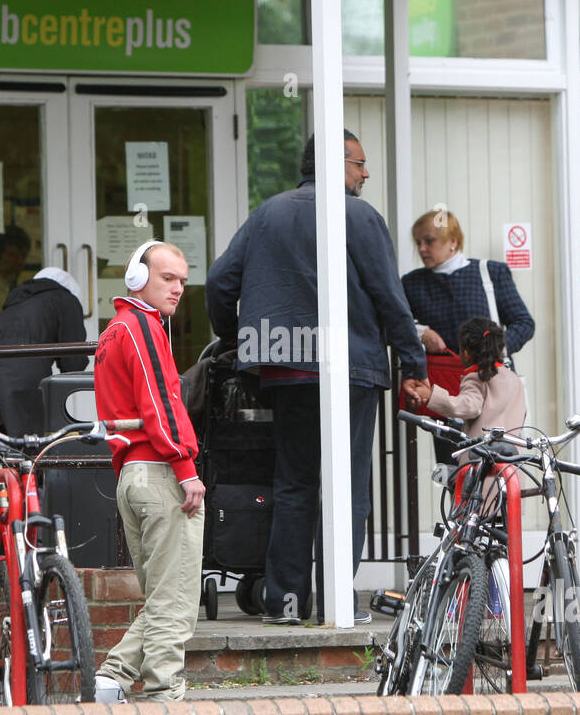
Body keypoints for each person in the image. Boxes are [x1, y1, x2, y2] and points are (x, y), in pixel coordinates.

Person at [207, 130, 427, 626]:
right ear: (335, 164)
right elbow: (390, 297)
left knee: (293, 482)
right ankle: (334, 603)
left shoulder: (267, 214)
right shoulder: (358, 216)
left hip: (285, 366)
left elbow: (221, 282)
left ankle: (284, 602)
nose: (365, 174)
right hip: (347, 368)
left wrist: (235, 339)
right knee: (347, 486)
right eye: (358, 164)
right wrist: (412, 366)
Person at [92, 241, 204, 703]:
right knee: (175, 600)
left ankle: (110, 680)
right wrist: (186, 466)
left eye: (182, 279)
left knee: (163, 595)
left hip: (131, 476)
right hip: (158, 473)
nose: (178, 288)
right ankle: (164, 699)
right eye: (167, 278)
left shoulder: (115, 330)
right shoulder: (142, 327)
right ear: (137, 278)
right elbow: (160, 400)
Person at [402, 209, 534, 462]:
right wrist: (422, 332)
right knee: (454, 468)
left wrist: (493, 349)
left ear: (452, 241)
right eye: (418, 242)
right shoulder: (412, 284)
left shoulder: (490, 273)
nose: (422, 248)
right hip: (445, 388)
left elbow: (524, 323)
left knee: (501, 466)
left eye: (429, 240)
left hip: (493, 386)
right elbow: (394, 326)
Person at [0, 267, 88, 434]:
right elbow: (73, 359)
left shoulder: (15, 303)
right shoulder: (65, 299)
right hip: (23, 373)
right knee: (29, 448)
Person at [412, 318, 526, 439]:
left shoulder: (477, 377)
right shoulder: (513, 378)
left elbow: (467, 406)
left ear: (466, 354)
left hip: (482, 454)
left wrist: (431, 395)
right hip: (511, 453)